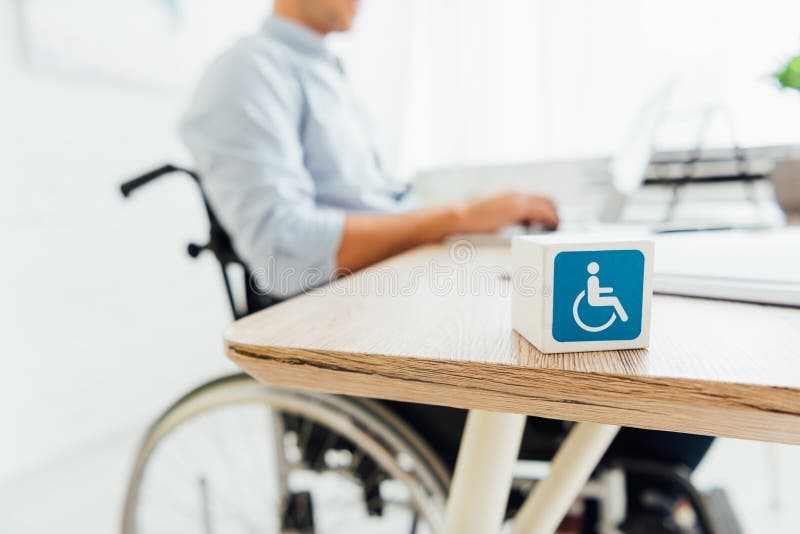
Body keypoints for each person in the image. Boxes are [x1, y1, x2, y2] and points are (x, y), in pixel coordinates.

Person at [180, 0, 713, 524]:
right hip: (347, 328)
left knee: (660, 361)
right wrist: (458, 215)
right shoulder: (246, 73)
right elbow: (282, 250)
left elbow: (387, 204)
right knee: (660, 405)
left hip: (399, 300)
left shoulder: (326, 74)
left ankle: (631, 504)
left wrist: (478, 219)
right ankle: (627, 502)